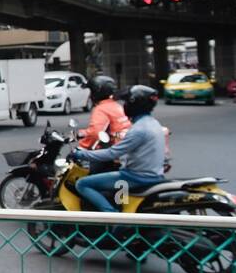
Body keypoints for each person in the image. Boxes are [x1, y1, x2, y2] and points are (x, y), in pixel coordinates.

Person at [71, 85, 166, 213]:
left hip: (136, 177)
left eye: (127, 102)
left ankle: (113, 217)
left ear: (135, 104)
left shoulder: (139, 129)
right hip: (153, 174)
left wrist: (81, 154)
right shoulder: (153, 123)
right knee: (118, 192)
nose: (125, 105)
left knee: (82, 184)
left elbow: (111, 152)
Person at [77, 75, 130, 149]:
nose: (90, 96)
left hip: (114, 150)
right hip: (125, 146)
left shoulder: (101, 109)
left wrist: (81, 147)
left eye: (91, 91)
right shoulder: (116, 105)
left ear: (96, 92)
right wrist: (84, 132)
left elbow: (96, 133)